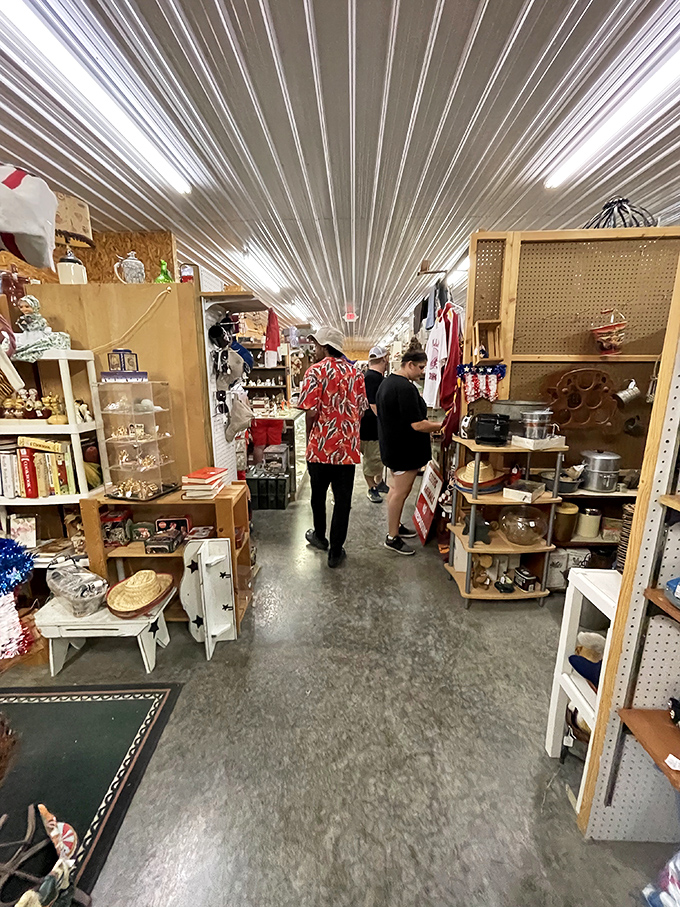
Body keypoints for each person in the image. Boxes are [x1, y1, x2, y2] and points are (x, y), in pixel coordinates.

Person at [296, 326, 367, 568]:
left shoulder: (315, 371)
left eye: (316, 345)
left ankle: (319, 536)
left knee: (317, 496)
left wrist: (311, 437)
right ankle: (335, 552)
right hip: (346, 451)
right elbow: (362, 409)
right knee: (343, 501)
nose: (314, 349)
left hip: (319, 448)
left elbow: (308, 409)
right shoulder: (356, 374)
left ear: (325, 347)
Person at [376, 348, 443, 555]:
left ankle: (395, 527)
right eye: (421, 367)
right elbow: (417, 425)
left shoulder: (387, 383)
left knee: (396, 491)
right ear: (410, 364)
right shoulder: (404, 388)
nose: (422, 371)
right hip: (404, 450)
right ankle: (392, 537)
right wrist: (442, 425)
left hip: (393, 447)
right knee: (400, 493)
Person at [360, 345, 390, 503]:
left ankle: (379, 483)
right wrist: (388, 423)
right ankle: (372, 487)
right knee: (373, 460)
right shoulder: (372, 378)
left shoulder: (369, 376)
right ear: (384, 359)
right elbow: (373, 404)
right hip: (371, 428)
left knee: (377, 458)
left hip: (369, 427)